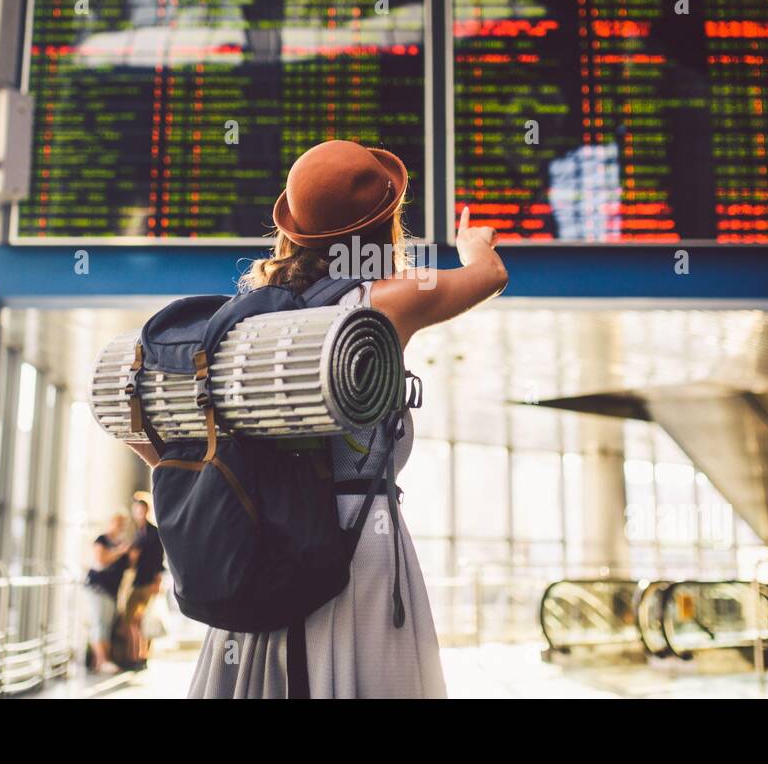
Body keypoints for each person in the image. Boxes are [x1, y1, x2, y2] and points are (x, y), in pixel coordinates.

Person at [127, 139, 507, 698]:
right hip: (356, 542)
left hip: (257, 539)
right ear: (383, 231)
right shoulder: (385, 300)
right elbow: (489, 275)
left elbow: (165, 442)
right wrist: (472, 244)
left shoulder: (244, 324)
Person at [85, 511, 130, 675]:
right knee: (99, 623)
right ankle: (103, 660)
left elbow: (129, 566)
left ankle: (100, 662)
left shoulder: (123, 544)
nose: (120, 526)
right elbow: (101, 559)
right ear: (111, 522)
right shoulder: (102, 540)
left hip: (112, 591)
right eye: (118, 522)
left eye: (123, 523)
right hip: (97, 588)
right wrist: (119, 552)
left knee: (107, 625)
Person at [125, 498, 165, 669]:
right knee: (133, 620)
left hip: (148, 583)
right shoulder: (137, 533)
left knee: (141, 620)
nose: (138, 514)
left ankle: (141, 657)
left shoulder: (154, 532)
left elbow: (158, 558)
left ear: (146, 511)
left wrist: (157, 582)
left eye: (141, 510)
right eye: (136, 510)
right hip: (138, 581)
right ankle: (137, 656)